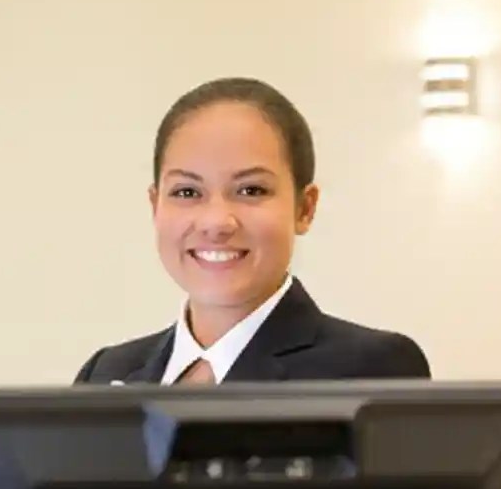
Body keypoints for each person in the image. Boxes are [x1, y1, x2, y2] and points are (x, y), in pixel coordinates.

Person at [75, 77, 429, 385]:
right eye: (187, 192)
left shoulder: (371, 368)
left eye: (251, 190)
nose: (216, 222)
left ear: (305, 208)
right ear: (156, 206)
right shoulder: (106, 374)